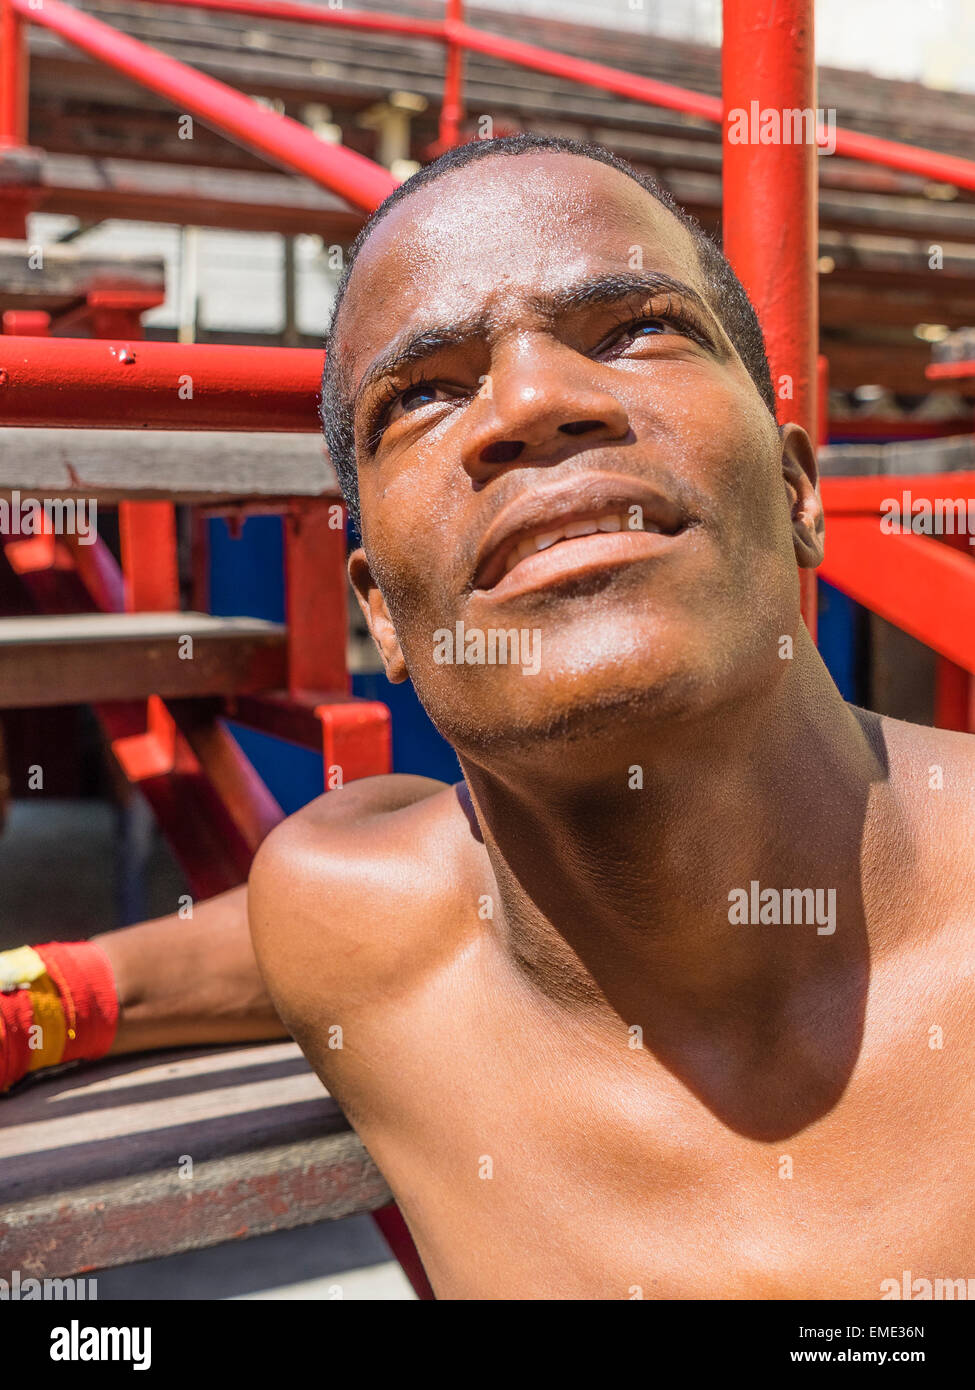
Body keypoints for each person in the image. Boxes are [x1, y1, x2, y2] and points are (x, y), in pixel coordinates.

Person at [3, 135, 974, 1299]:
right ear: (385, 617)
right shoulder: (361, 920)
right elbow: (274, 931)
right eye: (422, 393)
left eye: (636, 329)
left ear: (795, 488)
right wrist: (42, 1000)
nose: (533, 401)